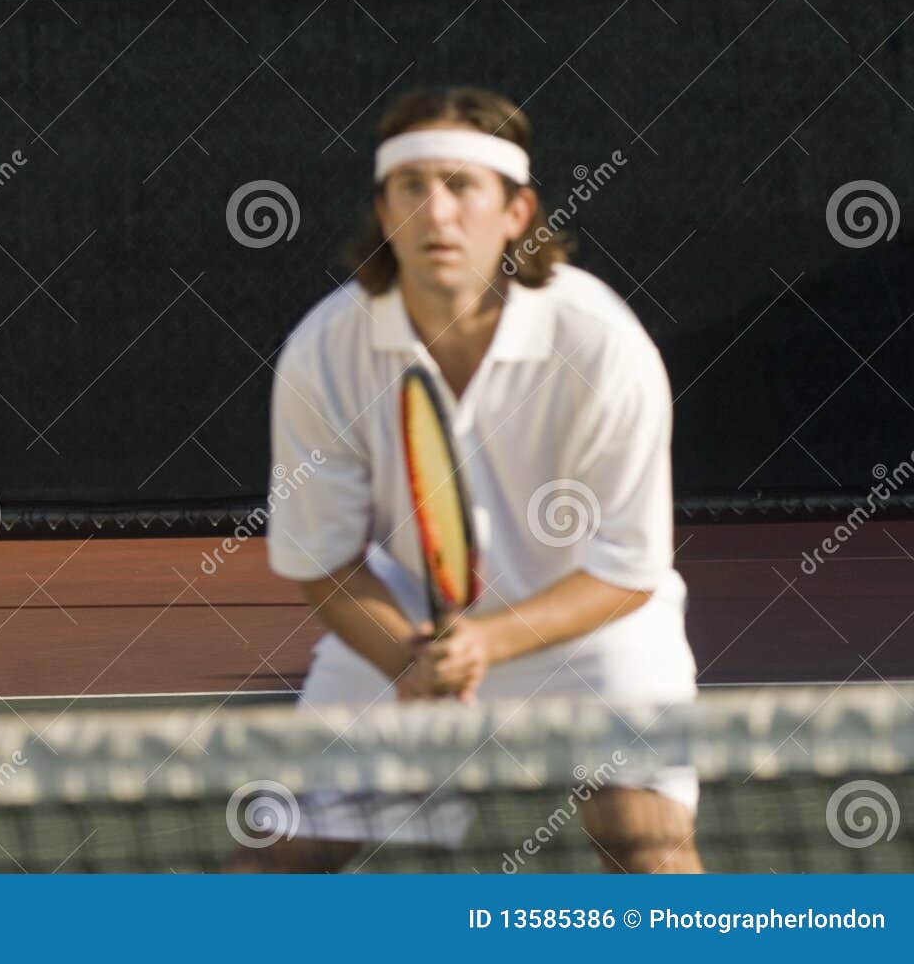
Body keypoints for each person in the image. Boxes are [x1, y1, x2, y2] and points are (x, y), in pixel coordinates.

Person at [232, 85, 701, 872]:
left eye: (461, 187)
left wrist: (484, 640)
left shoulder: (601, 346)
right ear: (384, 214)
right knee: (279, 864)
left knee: (647, 846)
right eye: (412, 187)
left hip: (592, 633)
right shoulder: (325, 350)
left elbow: (630, 568)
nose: (436, 213)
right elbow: (323, 558)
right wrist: (406, 656)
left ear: (518, 211)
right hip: (408, 626)